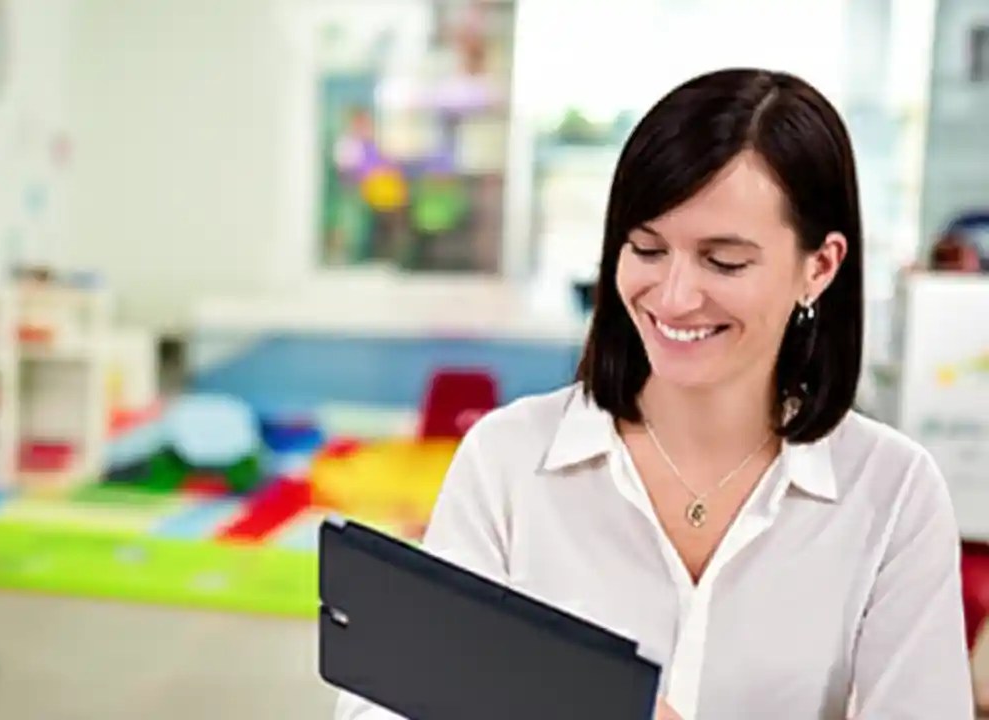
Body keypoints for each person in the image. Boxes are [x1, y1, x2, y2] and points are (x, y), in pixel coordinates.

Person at [335, 68, 975, 719]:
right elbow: (386, 701)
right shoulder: (507, 459)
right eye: (646, 248)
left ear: (821, 266)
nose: (672, 297)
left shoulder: (892, 494)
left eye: (723, 261)